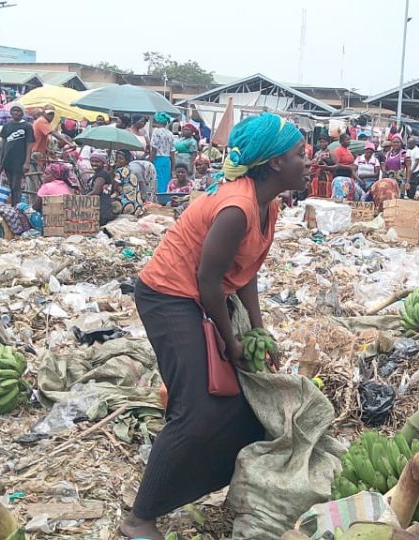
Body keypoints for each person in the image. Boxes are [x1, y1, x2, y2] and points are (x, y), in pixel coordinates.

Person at [120, 113, 308, 540]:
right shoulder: (236, 208)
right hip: (168, 296)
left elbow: (246, 270)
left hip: (203, 296)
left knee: (244, 408)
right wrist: (230, 342)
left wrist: (258, 331)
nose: (307, 162)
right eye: (300, 154)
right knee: (196, 409)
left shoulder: (267, 205)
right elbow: (208, 280)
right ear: (275, 162)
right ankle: (138, 518)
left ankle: (208, 485)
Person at [0, 104, 35, 206]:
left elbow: (29, 145)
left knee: (16, 185)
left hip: (20, 160)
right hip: (8, 159)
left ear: (22, 113)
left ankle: (17, 206)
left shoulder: (27, 126)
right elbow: (2, 145)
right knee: (10, 185)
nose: (16, 113)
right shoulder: (7, 126)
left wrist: (27, 162)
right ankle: (14, 205)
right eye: (14, 110)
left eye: (18, 111)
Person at [150, 112, 176, 193]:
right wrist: (173, 168)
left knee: (158, 180)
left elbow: (154, 149)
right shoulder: (170, 133)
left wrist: (150, 161)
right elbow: (172, 152)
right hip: (167, 160)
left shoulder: (156, 131)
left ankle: (159, 197)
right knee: (166, 180)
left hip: (158, 159)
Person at [113, 150, 143, 215]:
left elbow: (114, 187)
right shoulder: (132, 171)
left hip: (125, 203)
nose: (117, 160)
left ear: (126, 161)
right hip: (137, 205)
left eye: (120, 158)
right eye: (116, 158)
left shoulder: (120, 170)